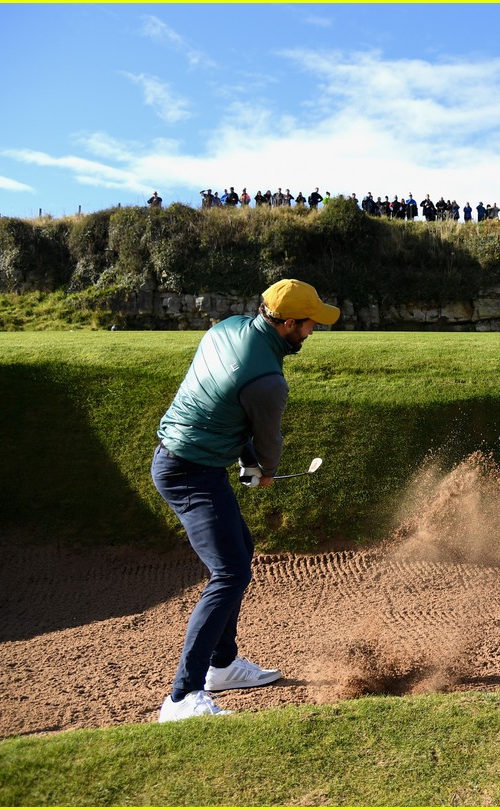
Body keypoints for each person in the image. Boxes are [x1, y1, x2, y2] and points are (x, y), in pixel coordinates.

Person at [152, 279, 340, 722]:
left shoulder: (228, 328)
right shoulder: (268, 381)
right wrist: (264, 469)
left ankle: (222, 665)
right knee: (229, 572)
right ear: (289, 324)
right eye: (310, 323)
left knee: (241, 550)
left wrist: (246, 458)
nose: (313, 331)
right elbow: (268, 441)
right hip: (189, 473)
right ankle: (182, 697)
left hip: (186, 460)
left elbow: (221, 399)